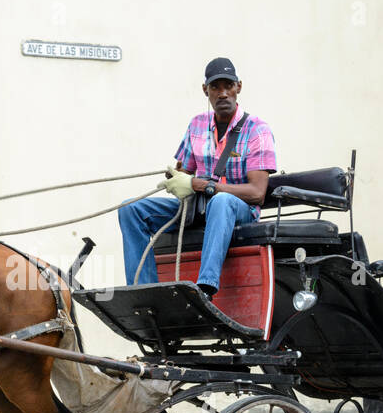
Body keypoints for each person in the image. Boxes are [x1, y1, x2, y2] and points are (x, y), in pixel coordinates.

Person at [118, 57, 276, 299]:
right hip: (198, 208)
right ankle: (144, 291)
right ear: (206, 90)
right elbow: (185, 173)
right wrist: (175, 178)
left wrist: (201, 185)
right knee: (130, 210)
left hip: (238, 211)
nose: (223, 93)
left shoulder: (257, 130)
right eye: (216, 87)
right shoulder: (197, 125)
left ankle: (205, 287)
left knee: (221, 202)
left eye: (228, 86)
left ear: (239, 87)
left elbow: (257, 193)